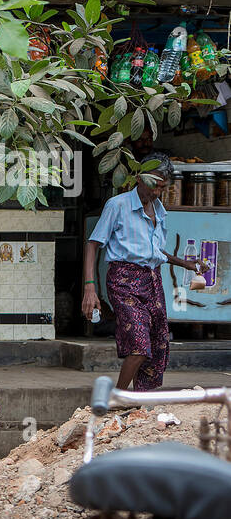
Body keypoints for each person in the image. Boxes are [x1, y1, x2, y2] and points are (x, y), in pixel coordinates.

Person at [83, 152, 205, 391]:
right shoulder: (117, 205)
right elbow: (93, 244)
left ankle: (140, 403)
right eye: (154, 185)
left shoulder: (159, 210)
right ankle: (118, 397)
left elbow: (156, 252)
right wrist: (90, 287)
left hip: (153, 280)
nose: (157, 192)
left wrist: (186, 263)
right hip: (124, 280)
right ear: (139, 177)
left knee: (158, 346)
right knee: (139, 346)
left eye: (162, 187)